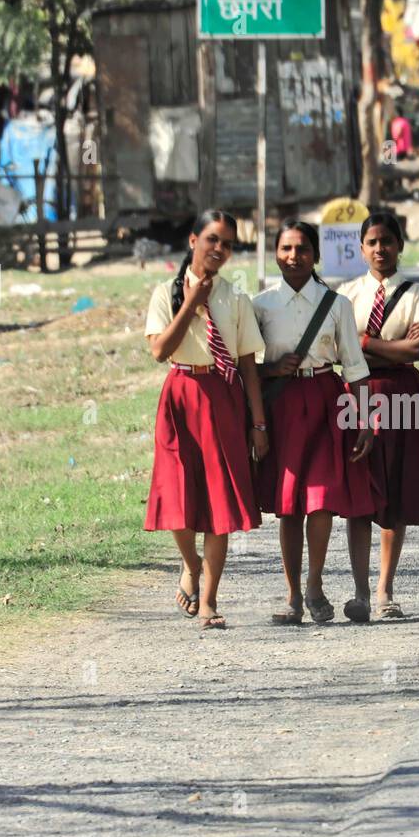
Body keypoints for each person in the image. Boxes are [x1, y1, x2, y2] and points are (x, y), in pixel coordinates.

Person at [144, 209, 268, 630]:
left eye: (228, 244)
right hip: (180, 395)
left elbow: (248, 364)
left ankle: (211, 599)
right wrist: (192, 302)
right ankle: (190, 563)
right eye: (212, 239)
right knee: (177, 500)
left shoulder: (235, 299)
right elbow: (161, 350)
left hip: (223, 398)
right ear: (193, 240)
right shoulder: (166, 292)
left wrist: (258, 423)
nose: (219, 249)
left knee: (218, 502)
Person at [252, 220, 376, 625]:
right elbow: (247, 365)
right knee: (289, 506)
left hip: (326, 401)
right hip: (283, 407)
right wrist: (271, 369)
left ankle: (315, 584)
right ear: (275, 253)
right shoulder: (262, 305)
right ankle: (291, 596)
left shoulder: (336, 304)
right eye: (286, 249)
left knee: (320, 499)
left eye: (302, 249)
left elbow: (355, 367)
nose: (293, 257)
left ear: (315, 255)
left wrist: (365, 421)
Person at [337, 213, 419, 622]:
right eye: (372, 242)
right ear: (360, 247)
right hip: (356, 393)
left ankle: (385, 588)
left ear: (399, 245)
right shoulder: (347, 294)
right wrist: (389, 345)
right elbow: (342, 351)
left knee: (396, 490)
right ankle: (359, 591)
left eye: (387, 241)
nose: (380, 249)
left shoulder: (416, 293)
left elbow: (416, 352)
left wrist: (366, 342)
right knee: (360, 489)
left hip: (402, 395)